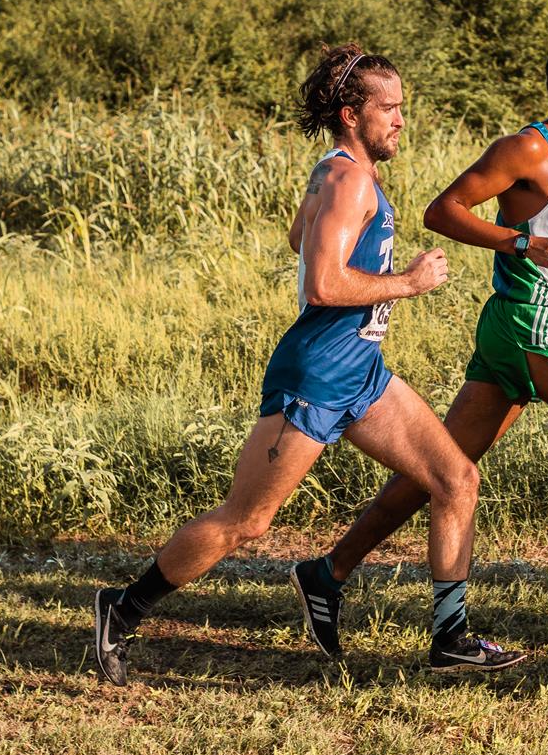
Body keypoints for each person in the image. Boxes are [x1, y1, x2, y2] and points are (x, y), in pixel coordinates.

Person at [90, 45, 523, 684]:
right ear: (352, 113)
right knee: (247, 520)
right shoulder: (349, 180)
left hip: (360, 370)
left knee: (455, 479)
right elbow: (320, 283)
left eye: (403, 108)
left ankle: (450, 638)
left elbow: (301, 237)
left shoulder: (338, 173)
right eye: (391, 109)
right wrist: (405, 283)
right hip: (317, 373)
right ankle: (121, 609)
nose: (402, 120)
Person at [290, 31, 548, 656]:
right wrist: (518, 244)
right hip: (531, 324)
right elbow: (443, 211)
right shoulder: (526, 149)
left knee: (434, 472)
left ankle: (328, 572)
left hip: (525, 329)